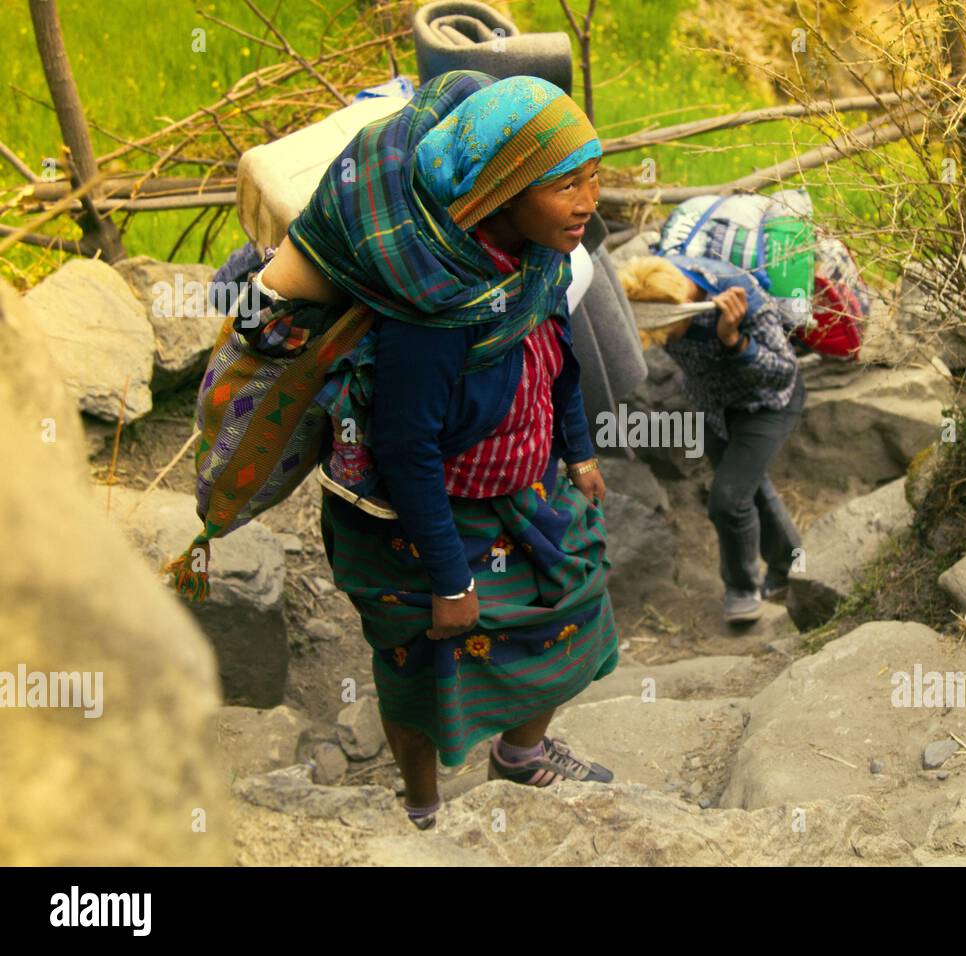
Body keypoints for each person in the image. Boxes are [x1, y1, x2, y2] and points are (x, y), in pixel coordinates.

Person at [256, 70, 619, 830]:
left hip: (523, 496)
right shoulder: (433, 309)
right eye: (566, 185)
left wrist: (579, 450)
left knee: (581, 613)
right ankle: (419, 809)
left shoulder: (540, 261)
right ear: (503, 193)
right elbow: (406, 446)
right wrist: (452, 580)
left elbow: (556, 354)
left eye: (595, 178)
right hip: (422, 522)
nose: (590, 201)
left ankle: (520, 755)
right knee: (421, 666)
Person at [617, 254, 806, 624]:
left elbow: (784, 372)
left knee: (728, 500)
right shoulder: (650, 291)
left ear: (684, 307)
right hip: (713, 406)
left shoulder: (739, 296)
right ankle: (787, 568)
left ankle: (741, 588)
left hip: (764, 405)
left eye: (666, 334)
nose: (664, 342)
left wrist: (734, 341)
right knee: (749, 487)